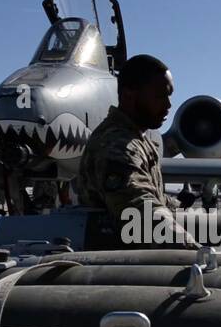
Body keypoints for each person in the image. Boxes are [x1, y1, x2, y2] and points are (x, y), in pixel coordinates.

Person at [77, 54, 199, 248]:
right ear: (128, 96)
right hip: (120, 266)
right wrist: (195, 252)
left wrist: (176, 205)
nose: (168, 106)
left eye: (169, 96)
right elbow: (140, 211)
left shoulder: (135, 139)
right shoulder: (117, 146)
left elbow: (145, 195)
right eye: (160, 96)